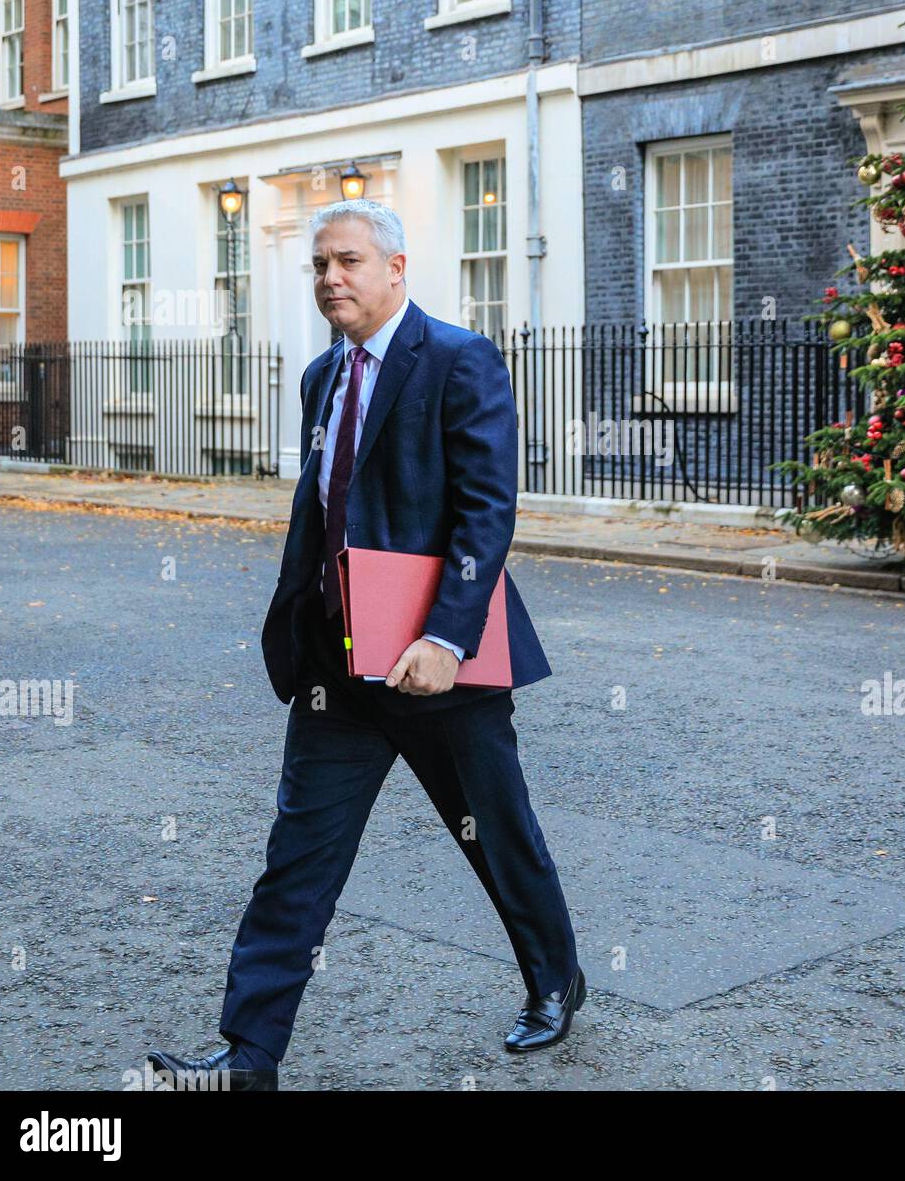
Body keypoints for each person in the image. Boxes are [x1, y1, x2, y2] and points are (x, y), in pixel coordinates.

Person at [148, 199, 583, 1090]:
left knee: (498, 837)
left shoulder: (459, 359)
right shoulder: (321, 376)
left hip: (435, 669)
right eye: (319, 265)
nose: (330, 279)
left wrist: (446, 637)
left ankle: (555, 979)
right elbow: (324, 511)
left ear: (396, 268)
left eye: (347, 261)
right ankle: (248, 1056)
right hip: (337, 671)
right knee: (296, 863)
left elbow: (485, 510)